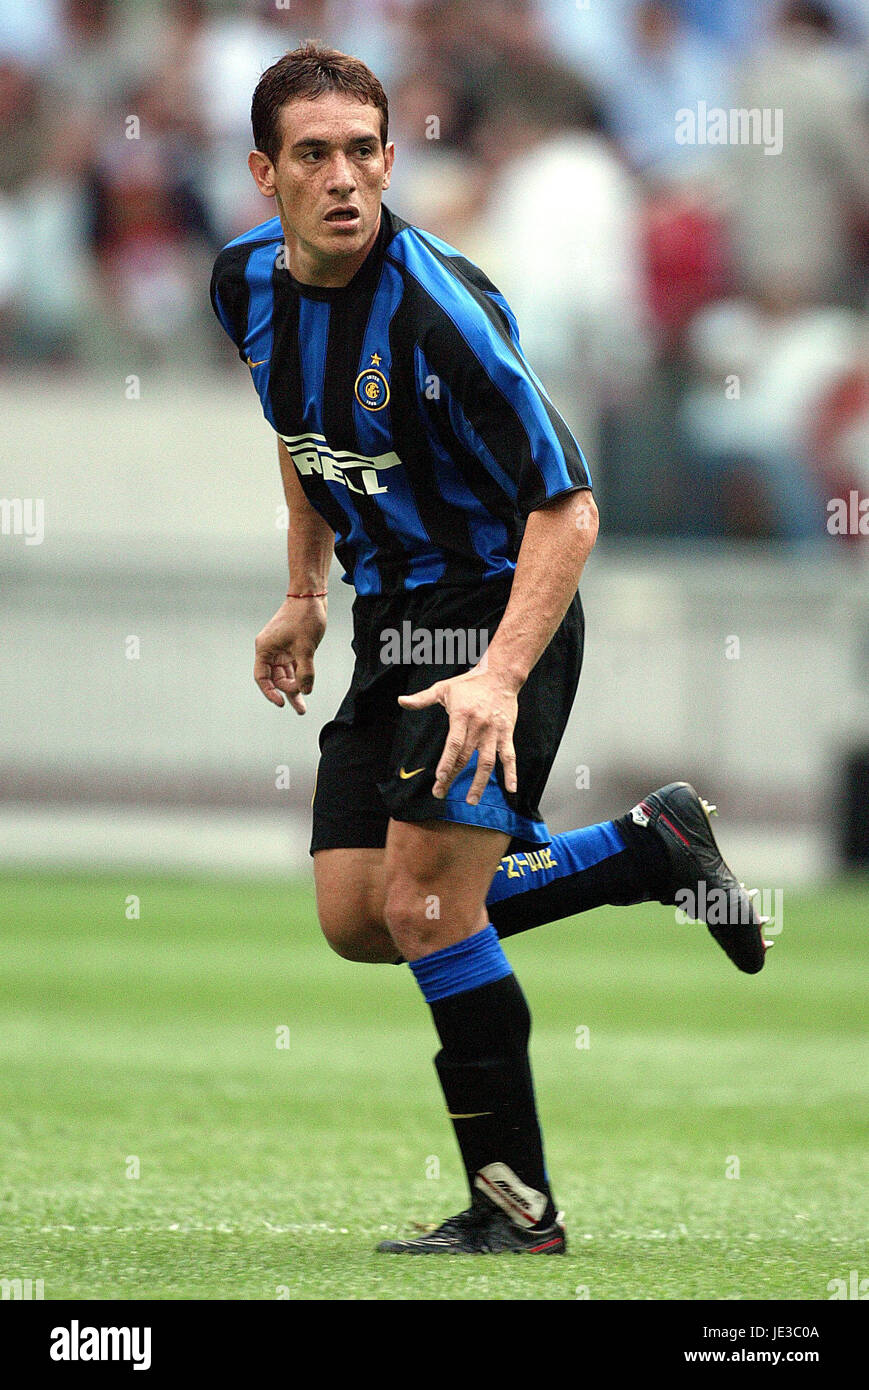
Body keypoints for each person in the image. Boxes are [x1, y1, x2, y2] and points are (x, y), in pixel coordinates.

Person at [210, 42, 770, 1257]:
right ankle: (643, 850)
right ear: (265, 174)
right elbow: (301, 434)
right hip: (386, 618)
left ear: (391, 159)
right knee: (358, 914)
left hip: (493, 607)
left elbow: (566, 506)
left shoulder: (437, 309)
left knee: (424, 904)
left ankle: (515, 1208)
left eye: (365, 150)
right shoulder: (241, 283)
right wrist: (303, 591)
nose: (345, 177)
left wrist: (499, 675)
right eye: (314, 154)